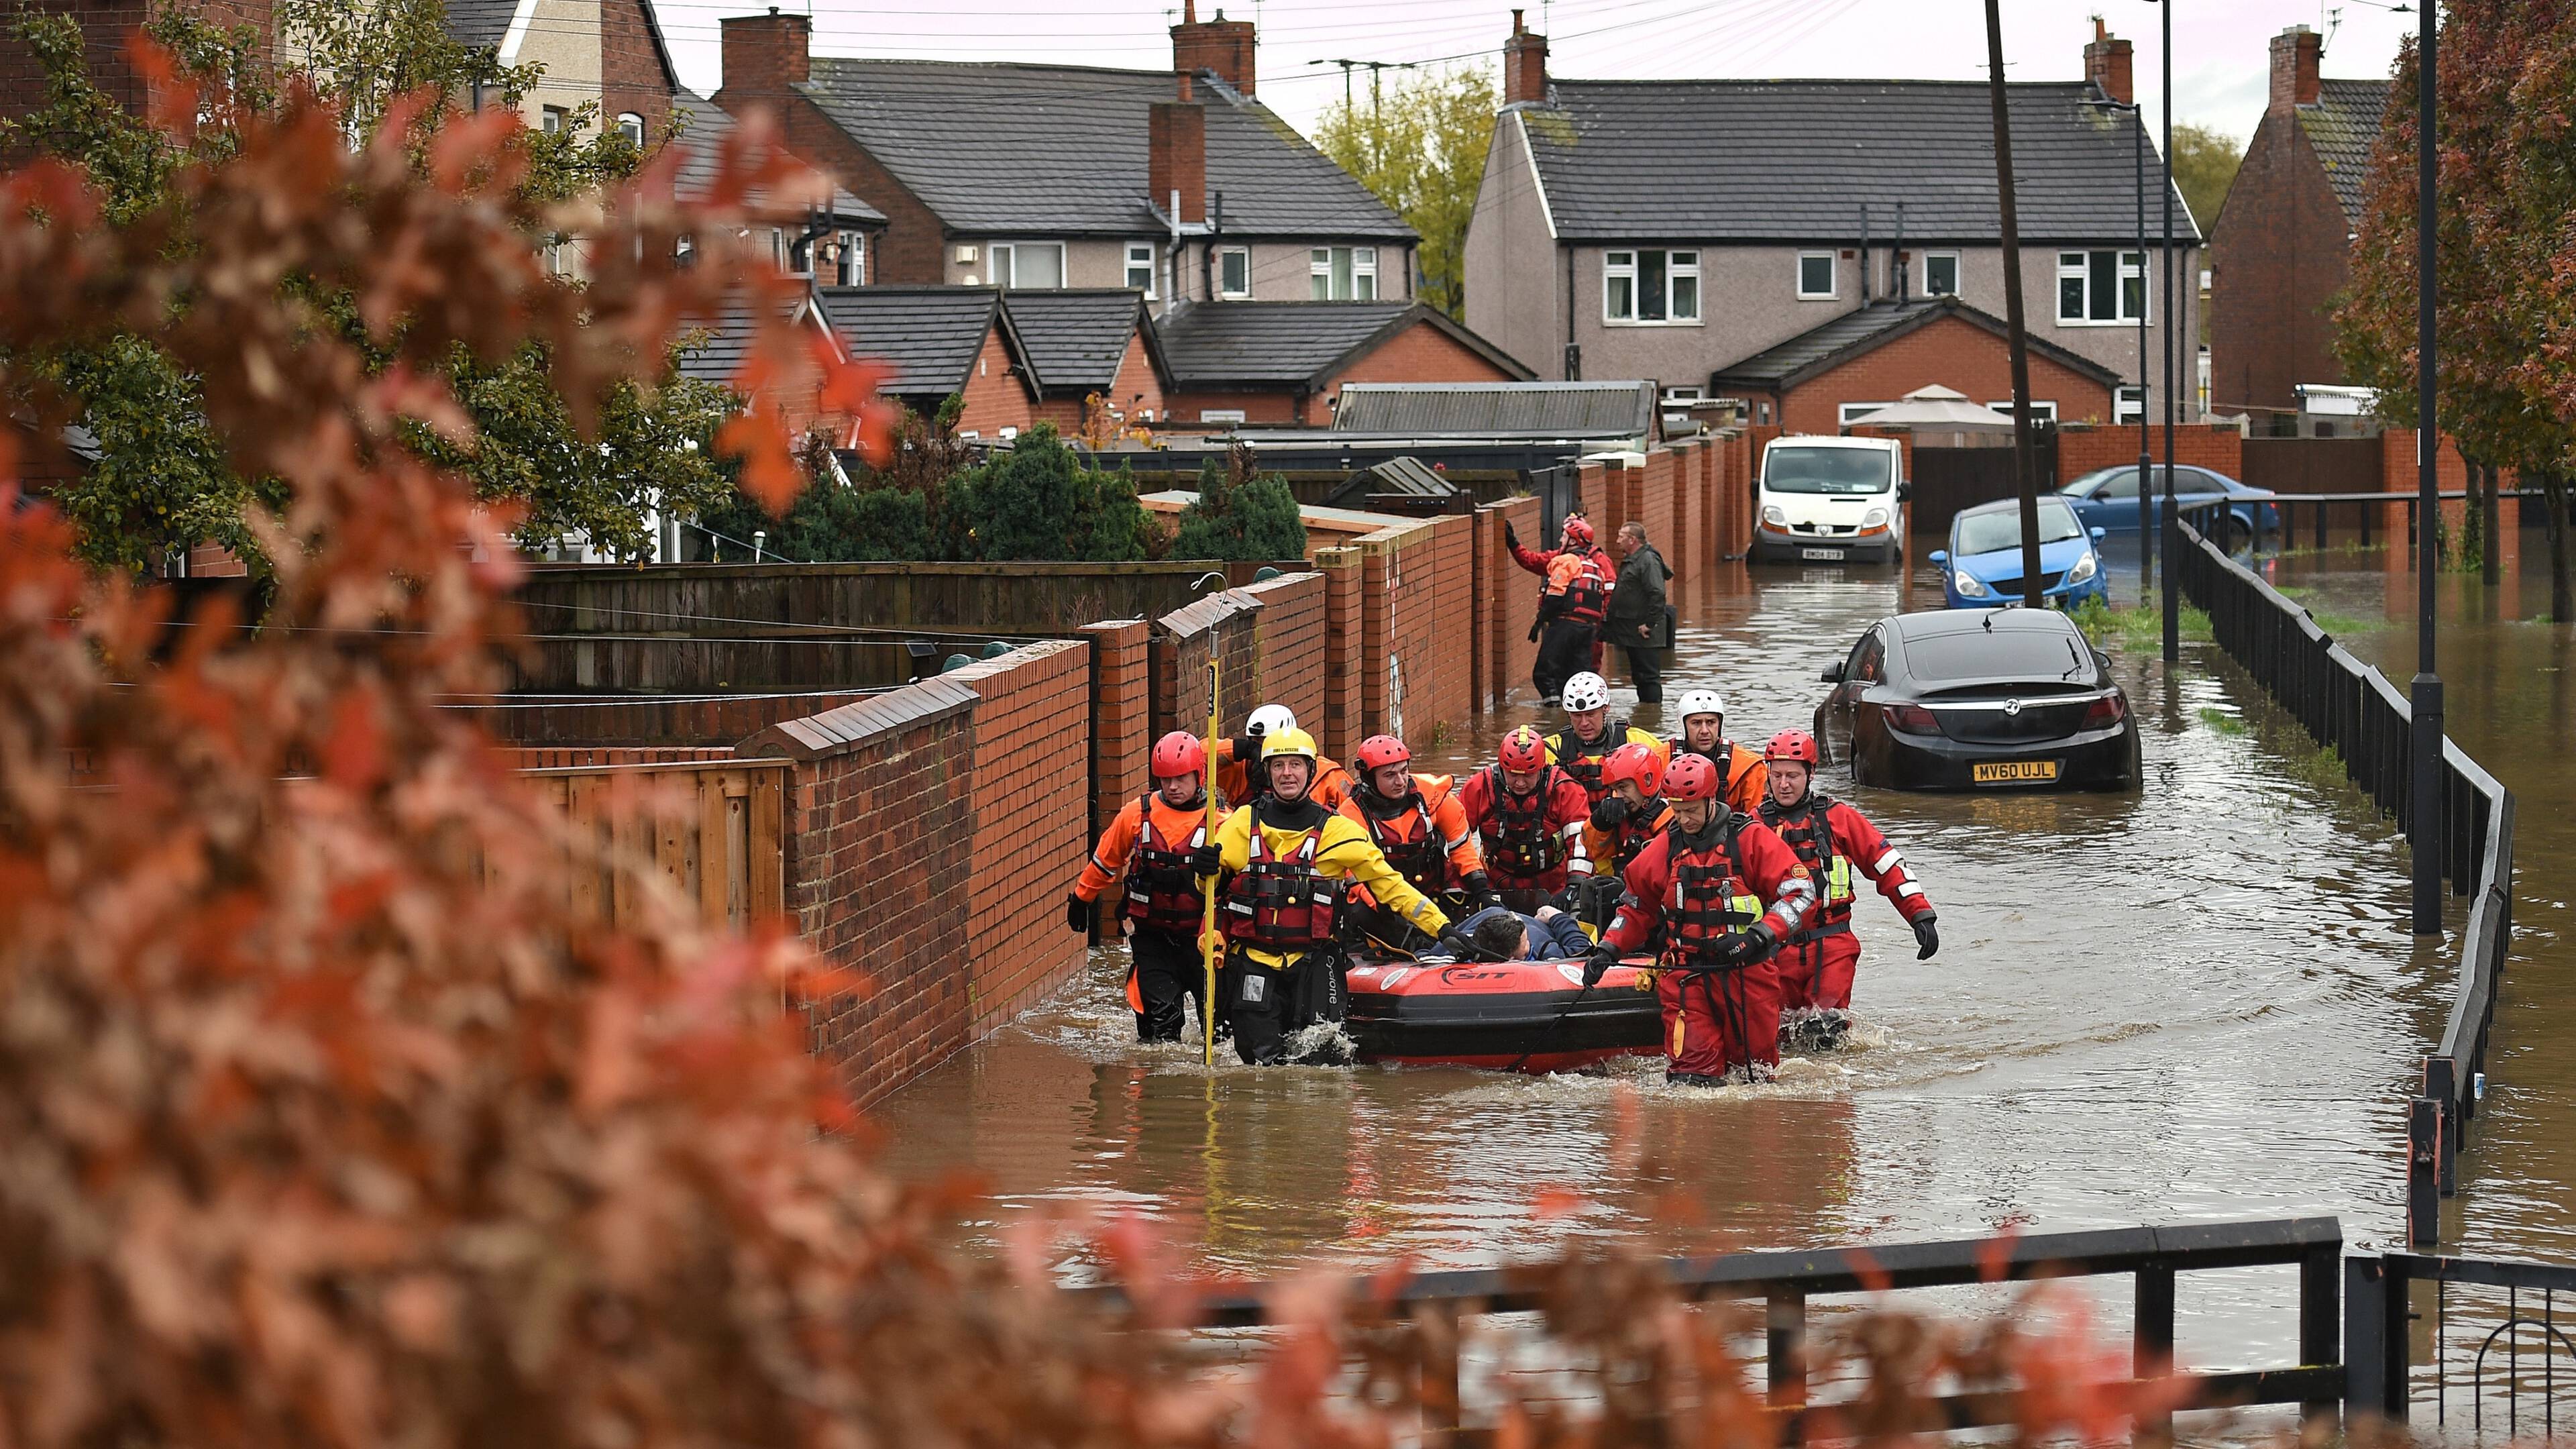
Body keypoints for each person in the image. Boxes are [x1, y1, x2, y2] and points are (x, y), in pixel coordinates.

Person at [1195, 728, 1449, 1066]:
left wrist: (1443, 929)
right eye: (1279, 765)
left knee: (1321, 1062)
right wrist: (1204, 871)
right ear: (1267, 772)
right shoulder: (1240, 824)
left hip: (1314, 964)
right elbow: (1208, 889)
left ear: (1310, 771)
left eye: (1296, 765)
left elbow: (1390, 886)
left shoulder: (1339, 831)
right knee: (1259, 1064)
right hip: (1255, 963)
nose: (1287, 773)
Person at [1583, 753, 1815, 1085]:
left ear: (1711, 800)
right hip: (1686, 977)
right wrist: (1608, 949)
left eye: (1691, 810)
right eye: (1677, 811)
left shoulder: (1750, 839)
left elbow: (1802, 894)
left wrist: (1757, 937)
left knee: (1754, 1076)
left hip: (1746, 975)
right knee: (1690, 1080)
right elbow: (1636, 907)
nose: (1684, 819)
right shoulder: (1666, 847)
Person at [1756, 730, 1937, 1050]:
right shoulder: (1752, 827)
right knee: (1776, 1039)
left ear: (1811, 774)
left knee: (1826, 1031)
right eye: (1777, 775)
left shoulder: (1839, 818)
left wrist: (1919, 914)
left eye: (1793, 776)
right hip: (1775, 949)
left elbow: (1887, 865)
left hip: (1832, 944)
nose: (1783, 784)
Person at [1069, 731, 1228, 1043]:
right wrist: (1081, 898)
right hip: (1153, 938)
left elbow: (1238, 882)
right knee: (1160, 1032)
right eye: (1165, 779)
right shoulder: (1136, 814)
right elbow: (1105, 861)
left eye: (1181, 778)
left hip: (1202, 939)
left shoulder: (1222, 821)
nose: (1172, 786)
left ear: (1199, 775)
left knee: (1220, 1031)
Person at [1339, 734, 1493, 945]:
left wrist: (1483, 892)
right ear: (1369, 778)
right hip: (1383, 902)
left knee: (1463, 886)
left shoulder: (1433, 794)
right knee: (1360, 910)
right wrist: (1397, 921)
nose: (1400, 781)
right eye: (1390, 775)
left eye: (1404, 771)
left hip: (1432, 890)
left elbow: (1462, 850)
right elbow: (1357, 882)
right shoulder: (1350, 816)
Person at [1455, 724, 1593, 914]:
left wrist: (1574, 886)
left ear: (1542, 768)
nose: (1520, 783)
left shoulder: (1565, 790)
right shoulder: (1480, 788)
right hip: (1494, 886)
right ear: (1502, 767)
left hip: (1553, 888)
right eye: (1513, 774)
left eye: (1528, 775)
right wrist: (1476, 887)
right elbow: (1455, 840)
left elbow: (1581, 842)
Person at [1544, 672, 1667, 808]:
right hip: (1573, 818)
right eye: (1577, 716)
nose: (1584, 723)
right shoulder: (1550, 749)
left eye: (1591, 714)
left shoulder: (1640, 743)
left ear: (1606, 708)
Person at [1526, 522, 1613, 705]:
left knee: (1543, 674)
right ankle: (1573, 711)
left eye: (1564, 536)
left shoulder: (1566, 561)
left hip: (1565, 625)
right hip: (1588, 629)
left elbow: (1555, 596)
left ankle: (1554, 713)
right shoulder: (1595, 567)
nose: (1561, 540)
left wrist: (1539, 623)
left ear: (1573, 541)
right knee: (1576, 678)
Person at [1209, 703, 1352, 810]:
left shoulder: (1327, 774)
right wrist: (1245, 749)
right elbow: (1202, 755)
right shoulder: (1243, 771)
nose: (1287, 773)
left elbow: (1354, 815)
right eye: (1257, 742)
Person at [1668, 688, 1768, 816]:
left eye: (1711, 722)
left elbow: (1759, 818)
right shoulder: (1660, 759)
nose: (1705, 731)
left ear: (1720, 725)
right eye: (1696, 723)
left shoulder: (1749, 767)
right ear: (1683, 726)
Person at [1604, 521, 1670, 704]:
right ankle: (1645, 710)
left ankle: (1652, 712)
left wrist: (1649, 624)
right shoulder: (1635, 560)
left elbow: (1657, 593)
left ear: (1632, 540)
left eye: (1621, 537)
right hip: (1633, 629)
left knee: (1648, 676)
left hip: (1645, 631)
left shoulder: (1648, 560)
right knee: (1640, 675)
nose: (1618, 541)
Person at [1450, 902, 1593, 962]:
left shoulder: (1545, 949)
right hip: (1488, 917)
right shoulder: (1455, 948)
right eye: (1525, 945)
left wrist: (1557, 916)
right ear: (1512, 958)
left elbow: (1583, 950)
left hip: (1540, 920)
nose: (1529, 946)